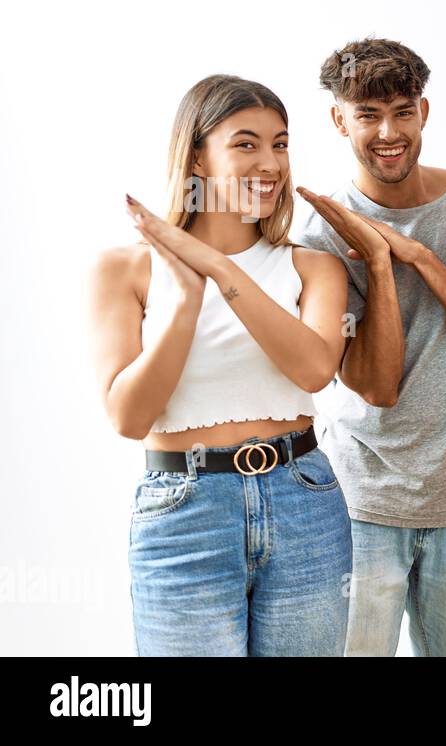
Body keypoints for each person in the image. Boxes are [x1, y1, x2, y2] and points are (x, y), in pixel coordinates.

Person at [89, 74, 351, 656]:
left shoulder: (313, 268)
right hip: (183, 512)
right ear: (199, 158)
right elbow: (129, 418)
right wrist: (184, 298)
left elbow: (314, 370)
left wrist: (221, 271)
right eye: (246, 143)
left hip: (303, 499)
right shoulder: (124, 269)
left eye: (280, 144)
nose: (270, 162)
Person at [292, 38, 446, 657]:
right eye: (368, 115)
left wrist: (419, 258)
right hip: (358, 498)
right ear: (339, 120)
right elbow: (374, 384)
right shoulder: (322, 229)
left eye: (401, 110)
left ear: (425, 110)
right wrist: (376, 257)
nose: (388, 131)